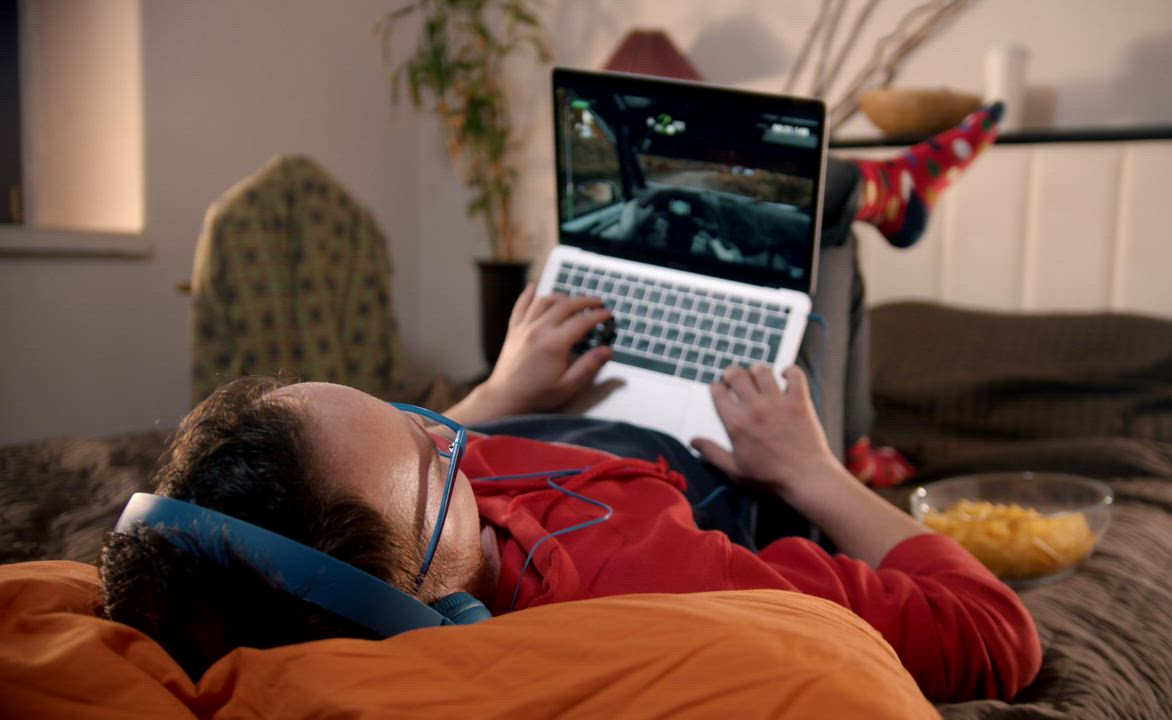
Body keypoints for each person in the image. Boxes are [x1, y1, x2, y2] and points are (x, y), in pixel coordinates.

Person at [100, 280, 1041, 704]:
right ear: (435, 607)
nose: (447, 432)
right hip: (751, 445)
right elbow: (995, 634)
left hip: (558, 403)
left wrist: (502, 393)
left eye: (403, 409)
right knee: (825, 256)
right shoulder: (675, 596)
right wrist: (812, 470)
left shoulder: (402, 510)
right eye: (436, 462)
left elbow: (394, 477)